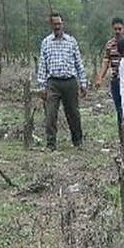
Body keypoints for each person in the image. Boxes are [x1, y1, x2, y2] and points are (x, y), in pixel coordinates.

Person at [37, 12, 88, 150]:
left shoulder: (71, 41)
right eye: (55, 24)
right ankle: (51, 144)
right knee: (50, 114)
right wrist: (42, 86)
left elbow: (79, 63)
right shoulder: (46, 42)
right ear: (51, 25)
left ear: (63, 24)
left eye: (59, 23)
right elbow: (42, 65)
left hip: (70, 82)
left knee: (73, 113)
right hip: (53, 83)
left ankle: (78, 142)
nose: (57, 26)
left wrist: (83, 83)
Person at [95, 17, 124, 128]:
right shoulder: (110, 44)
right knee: (119, 109)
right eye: (115, 29)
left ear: (123, 28)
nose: (117, 31)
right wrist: (100, 77)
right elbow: (106, 61)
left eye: (119, 29)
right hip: (115, 80)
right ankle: (122, 136)